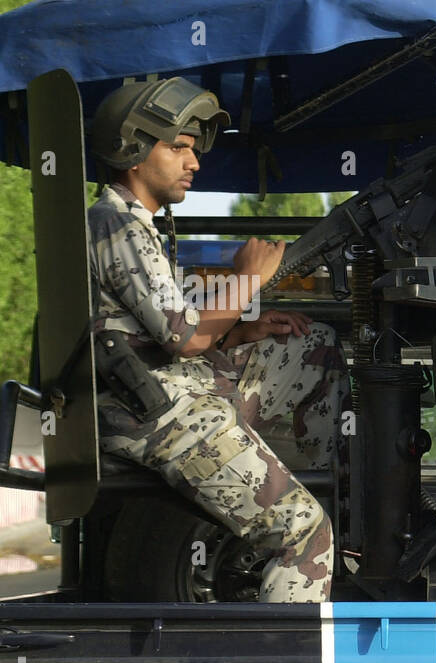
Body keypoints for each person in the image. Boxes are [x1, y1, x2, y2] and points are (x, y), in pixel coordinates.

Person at [86, 77, 348, 602]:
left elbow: (160, 330)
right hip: (153, 414)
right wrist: (248, 278)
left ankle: (276, 491)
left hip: (165, 390)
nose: (194, 163)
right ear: (133, 152)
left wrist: (243, 330)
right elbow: (183, 337)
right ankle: (275, 661)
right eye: (178, 148)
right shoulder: (117, 226)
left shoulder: (130, 223)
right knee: (306, 533)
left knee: (310, 346)